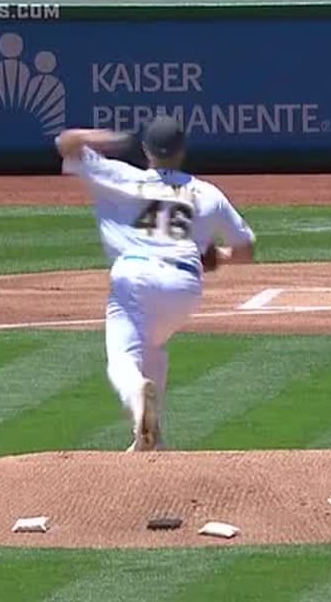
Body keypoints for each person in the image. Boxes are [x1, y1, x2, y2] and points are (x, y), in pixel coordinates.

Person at [55, 116, 257, 452]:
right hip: (183, 286)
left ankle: (137, 395)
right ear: (182, 151)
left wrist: (107, 137)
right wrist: (216, 257)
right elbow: (246, 249)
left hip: (135, 278)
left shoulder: (122, 177)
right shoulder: (207, 192)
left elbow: (67, 143)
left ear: (147, 150)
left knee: (123, 359)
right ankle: (150, 438)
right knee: (153, 347)